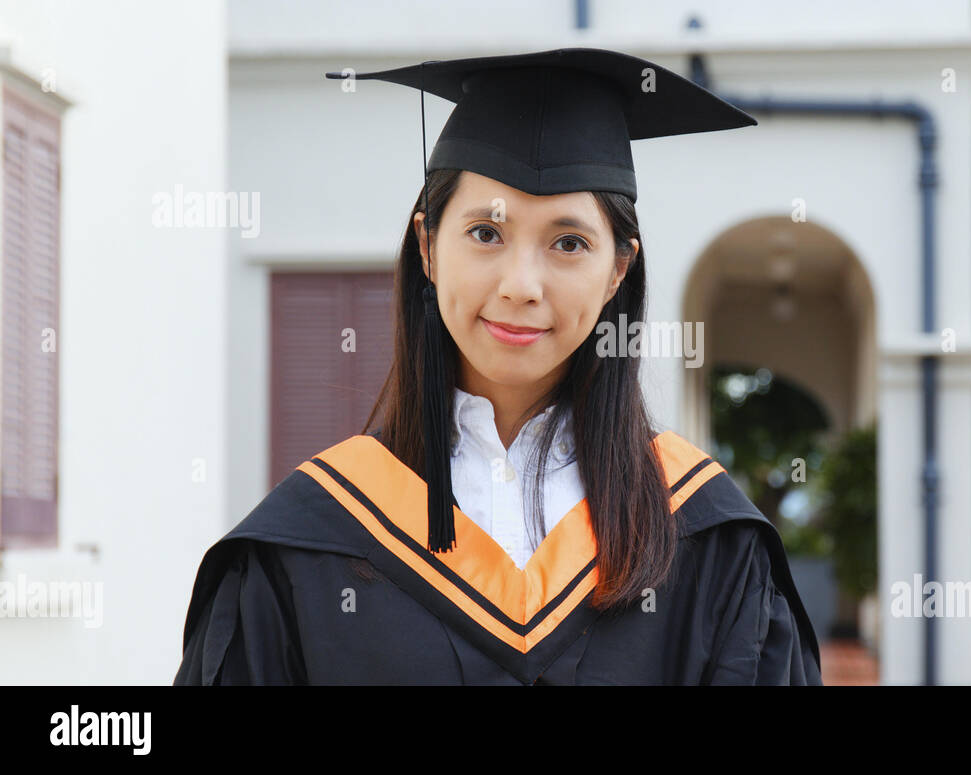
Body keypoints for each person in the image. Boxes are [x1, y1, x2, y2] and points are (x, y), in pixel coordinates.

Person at [173, 48, 822, 685]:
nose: (521, 285)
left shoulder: (710, 537)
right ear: (428, 245)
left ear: (617, 271)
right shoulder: (304, 541)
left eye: (569, 243)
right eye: (486, 232)